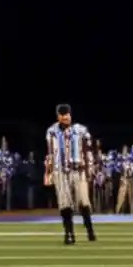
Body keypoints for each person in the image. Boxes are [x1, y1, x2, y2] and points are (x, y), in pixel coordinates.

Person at [45, 103, 96, 244]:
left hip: (78, 170)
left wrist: (89, 169)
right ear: (58, 116)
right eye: (62, 115)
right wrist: (48, 172)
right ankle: (69, 234)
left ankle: (90, 230)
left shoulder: (80, 130)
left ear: (70, 115)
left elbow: (88, 150)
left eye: (67, 114)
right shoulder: (51, 131)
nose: (65, 117)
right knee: (64, 203)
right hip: (60, 170)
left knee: (83, 201)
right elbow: (50, 153)